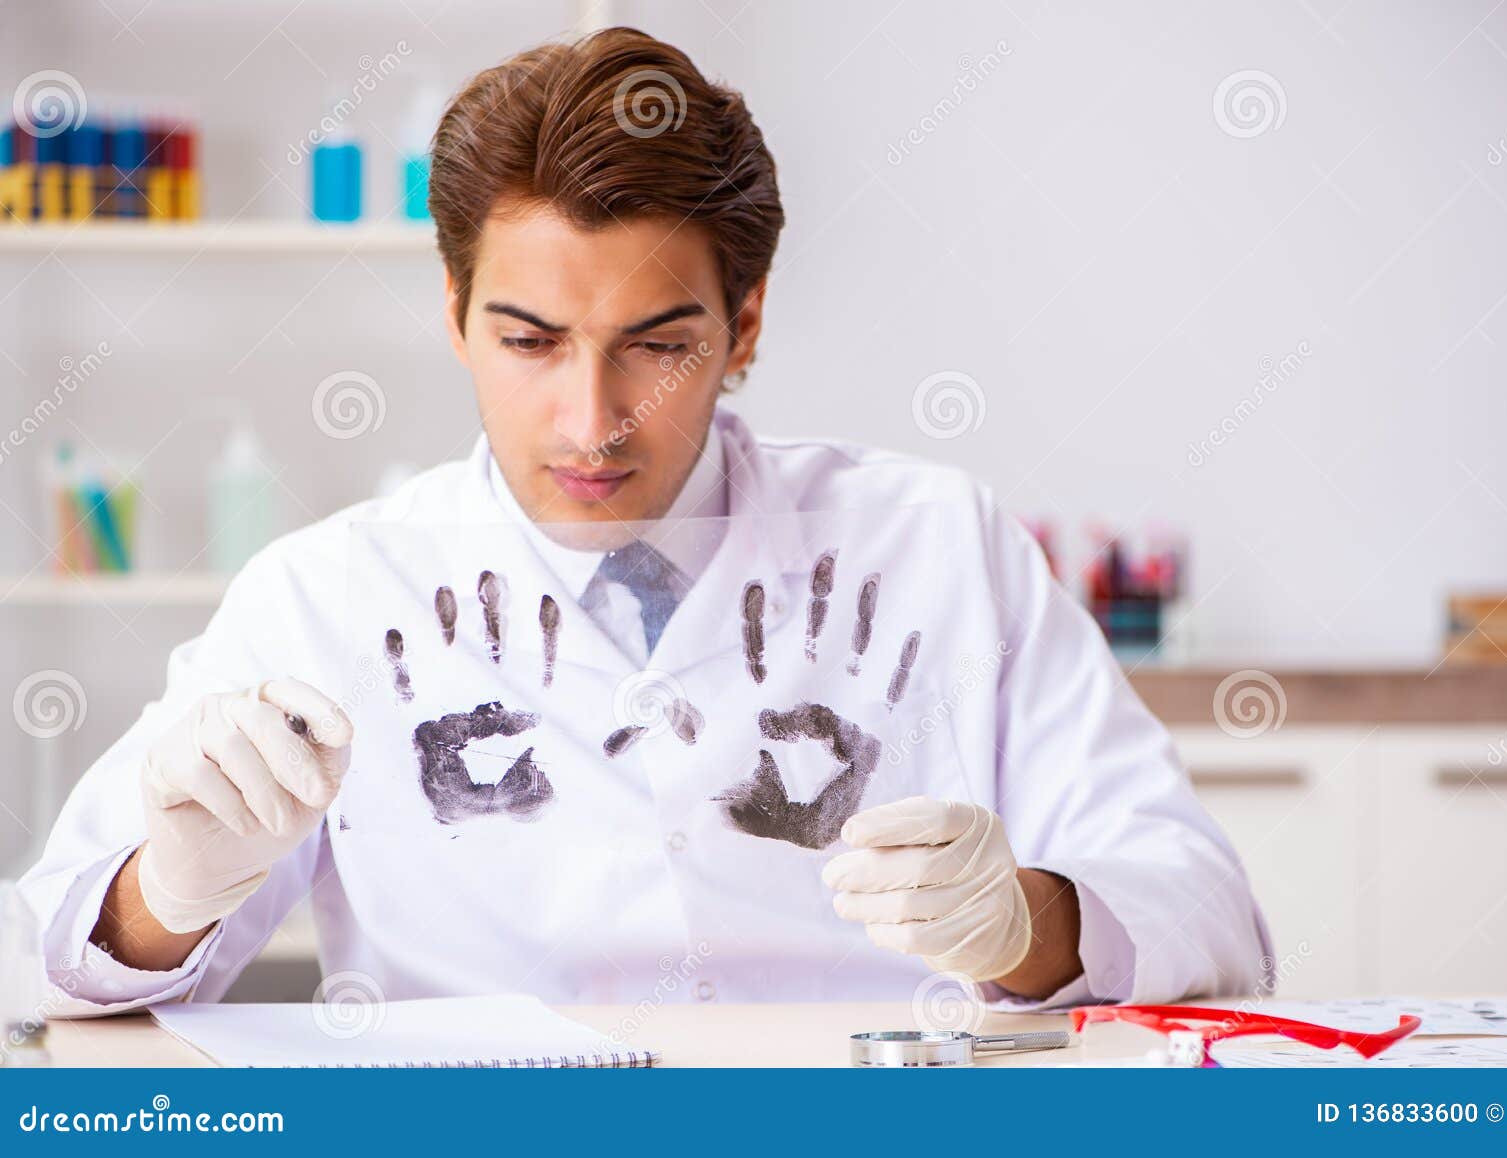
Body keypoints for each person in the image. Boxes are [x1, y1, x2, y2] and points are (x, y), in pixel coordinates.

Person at [20, 27, 1269, 1016]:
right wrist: (162, 896)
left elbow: (1212, 913)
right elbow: (38, 957)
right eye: (528, 341)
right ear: (453, 313)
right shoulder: (329, 596)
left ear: (749, 325)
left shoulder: (940, 546)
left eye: (658, 347)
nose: (590, 421)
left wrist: (1030, 924)